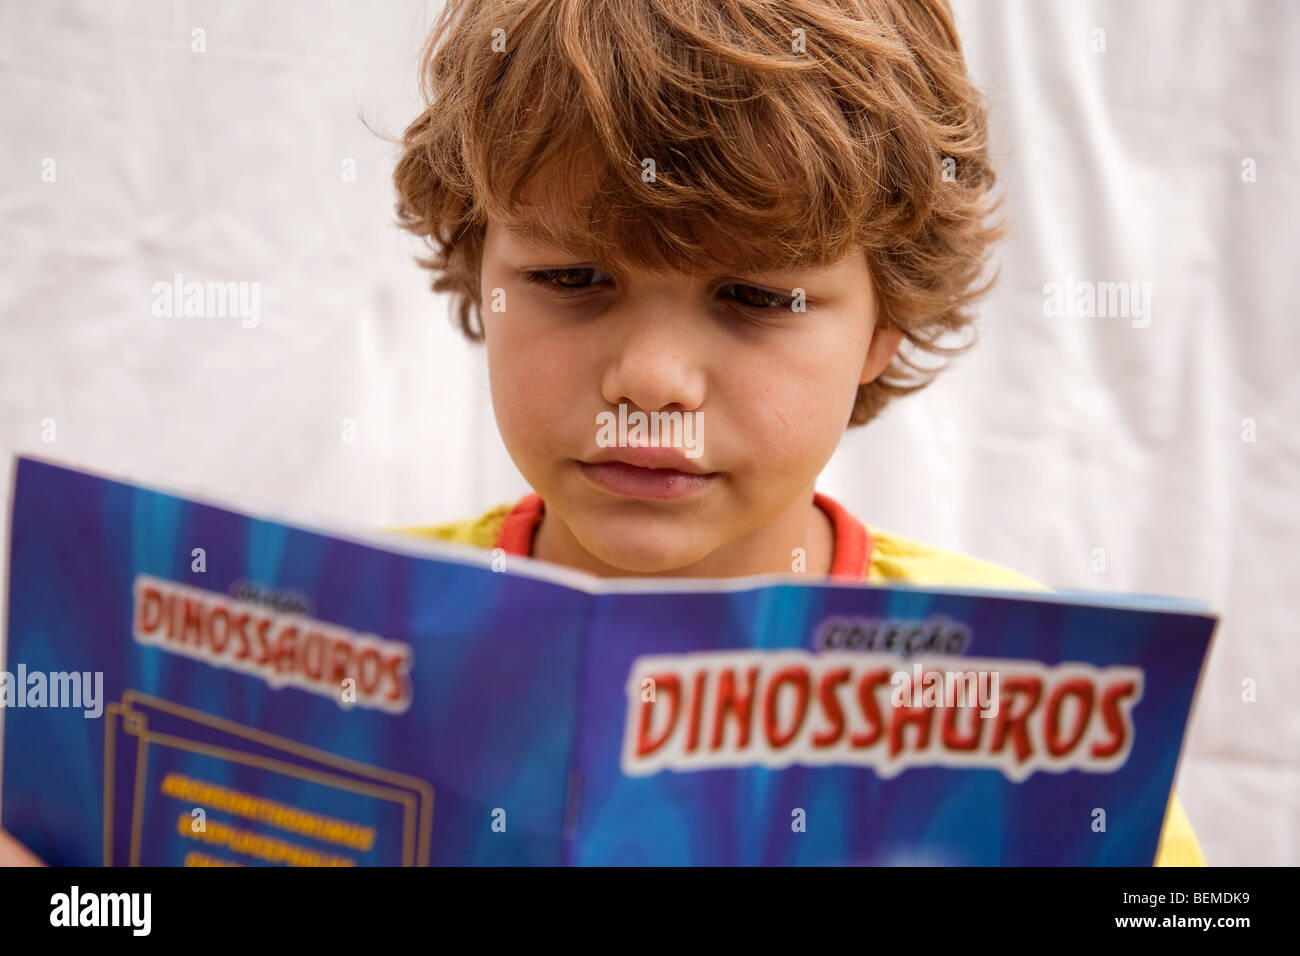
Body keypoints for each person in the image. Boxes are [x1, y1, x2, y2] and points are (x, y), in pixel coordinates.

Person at [0, 0, 1204, 866]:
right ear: (483, 272)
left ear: (883, 328)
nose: (651, 379)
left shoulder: (1028, 687)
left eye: (758, 297)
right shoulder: (327, 622)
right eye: (575, 277)